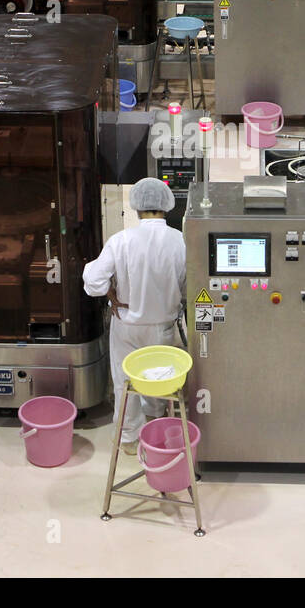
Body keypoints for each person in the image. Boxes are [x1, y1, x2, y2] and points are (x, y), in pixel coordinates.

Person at [82, 177, 186, 453]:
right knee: (157, 379)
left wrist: (109, 293)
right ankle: (154, 429)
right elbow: (190, 286)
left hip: (126, 325)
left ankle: (129, 440)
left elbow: (93, 283)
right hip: (163, 327)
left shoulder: (121, 240)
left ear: (136, 206)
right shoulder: (181, 241)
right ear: (167, 206)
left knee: (124, 382)